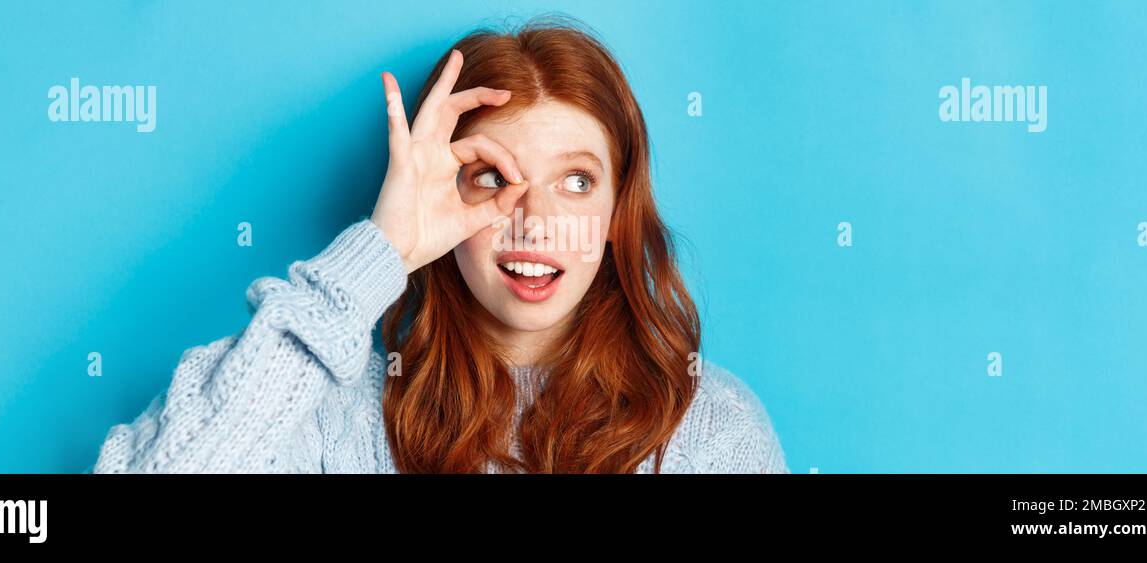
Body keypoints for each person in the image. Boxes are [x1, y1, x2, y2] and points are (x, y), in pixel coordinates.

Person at [92, 17, 788, 474]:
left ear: (616, 213)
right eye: (493, 177)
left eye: (576, 180)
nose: (536, 221)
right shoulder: (335, 416)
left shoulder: (712, 432)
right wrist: (382, 247)